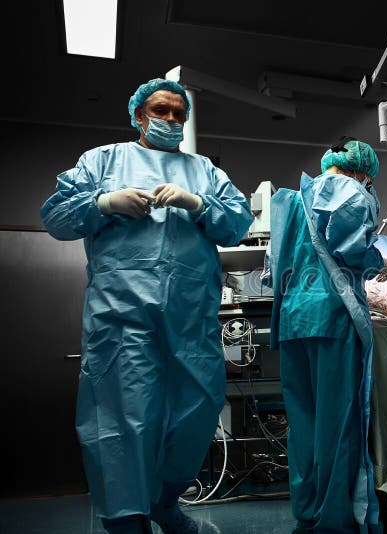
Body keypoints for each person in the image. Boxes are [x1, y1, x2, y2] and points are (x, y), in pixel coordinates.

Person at [40, 78, 253, 534]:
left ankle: (163, 499)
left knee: (196, 412)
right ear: (139, 115)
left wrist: (198, 204)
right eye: (161, 110)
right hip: (122, 319)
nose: (171, 120)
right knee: (122, 419)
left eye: (179, 113)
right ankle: (126, 519)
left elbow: (236, 224)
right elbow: (56, 216)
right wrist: (103, 202)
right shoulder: (103, 161)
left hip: (190, 320)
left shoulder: (205, 172)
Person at [267, 137, 384, 533]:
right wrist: (375, 262)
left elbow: (272, 272)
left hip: (292, 320)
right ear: (364, 172)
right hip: (333, 318)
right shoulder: (351, 190)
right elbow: (353, 250)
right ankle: (334, 520)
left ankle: (307, 512)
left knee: (303, 424)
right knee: (336, 424)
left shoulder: (288, 202)